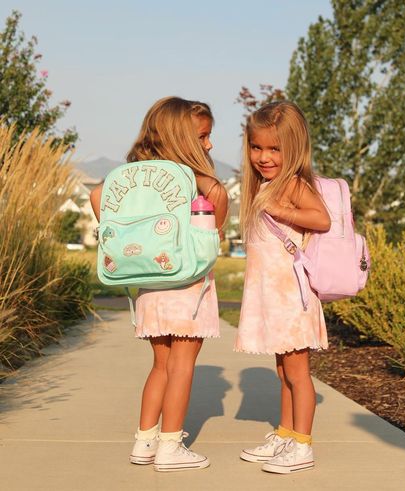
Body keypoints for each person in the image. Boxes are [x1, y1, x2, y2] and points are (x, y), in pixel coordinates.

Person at [90, 96, 228, 472]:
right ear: (182, 138)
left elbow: (96, 195)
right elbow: (213, 231)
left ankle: (144, 441)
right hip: (187, 284)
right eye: (203, 137)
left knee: (160, 365)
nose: (209, 144)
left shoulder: (133, 177)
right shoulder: (201, 183)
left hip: (148, 283)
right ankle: (171, 447)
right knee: (183, 366)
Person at [235, 101, 331, 474]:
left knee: (297, 372)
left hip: (292, 298)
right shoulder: (266, 184)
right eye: (257, 148)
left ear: (294, 148)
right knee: (283, 370)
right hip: (273, 299)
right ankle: (287, 433)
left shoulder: (291, 185)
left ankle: (302, 445)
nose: (264, 156)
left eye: (274, 149)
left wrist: (283, 210)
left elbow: (321, 218)